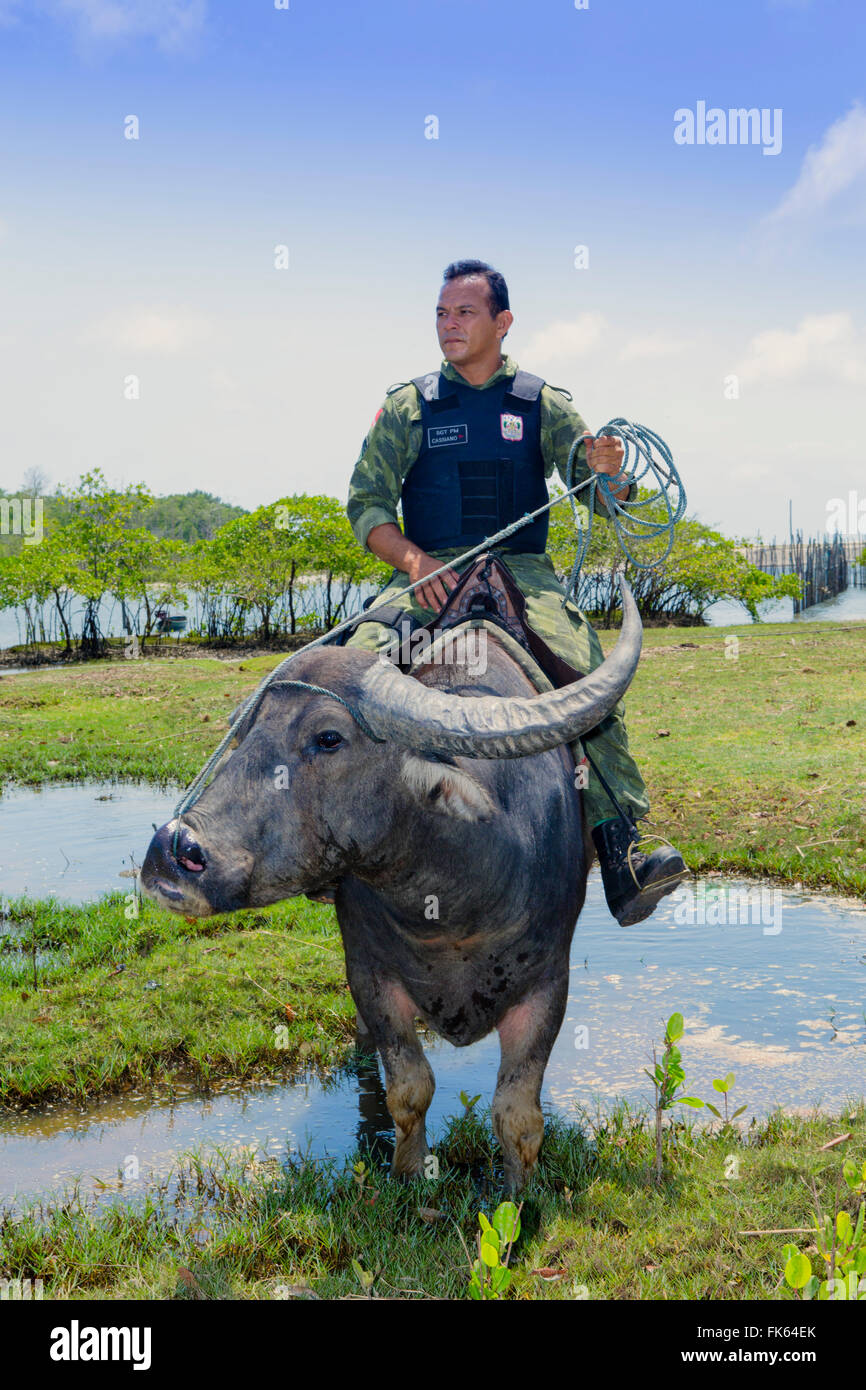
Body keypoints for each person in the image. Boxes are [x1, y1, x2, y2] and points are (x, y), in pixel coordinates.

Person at [344, 259, 686, 925]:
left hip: (523, 574)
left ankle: (623, 851)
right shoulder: (406, 406)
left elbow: (600, 492)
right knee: (351, 679)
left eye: (464, 313)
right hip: (426, 572)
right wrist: (413, 560)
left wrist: (610, 473)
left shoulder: (542, 403)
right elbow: (366, 507)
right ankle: (335, 847)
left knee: (588, 679)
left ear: (502, 322)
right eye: (441, 313)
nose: (449, 325)